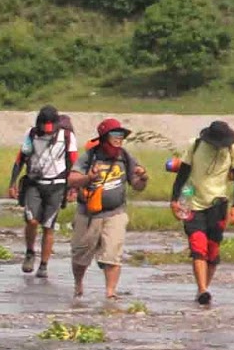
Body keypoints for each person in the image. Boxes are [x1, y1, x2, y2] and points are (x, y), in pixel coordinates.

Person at [68, 118, 149, 301]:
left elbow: (136, 185)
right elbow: (72, 180)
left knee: (113, 253)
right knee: (81, 255)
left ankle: (110, 292)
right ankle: (78, 285)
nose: (119, 139)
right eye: (115, 135)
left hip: (115, 212)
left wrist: (142, 178)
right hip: (88, 214)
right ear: (104, 137)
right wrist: (88, 178)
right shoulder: (89, 156)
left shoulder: (125, 156)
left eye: (121, 135)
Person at [170, 120, 234, 308]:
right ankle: (203, 289)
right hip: (192, 202)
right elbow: (183, 173)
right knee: (198, 247)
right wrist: (174, 200)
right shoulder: (195, 145)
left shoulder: (233, 149)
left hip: (218, 205)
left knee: (212, 251)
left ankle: (202, 290)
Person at [9, 105, 75, 279]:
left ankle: (44, 265)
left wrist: (72, 188)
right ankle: (30, 252)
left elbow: (72, 163)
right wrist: (12, 183)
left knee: (48, 226)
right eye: (44, 128)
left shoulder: (67, 136)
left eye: (51, 129)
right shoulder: (31, 134)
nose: (48, 132)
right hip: (34, 184)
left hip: (57, 185)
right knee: (31, 220)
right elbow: (20, 159)